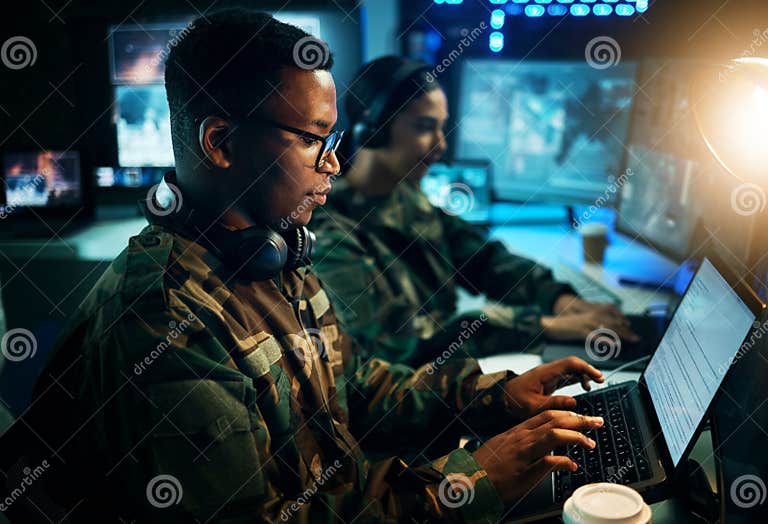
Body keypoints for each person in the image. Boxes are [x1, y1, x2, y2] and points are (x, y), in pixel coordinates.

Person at [22, 11, 606, 523]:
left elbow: (350, 384)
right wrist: (468, 483)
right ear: (221, 142)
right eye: (314, 139)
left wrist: (493, 398)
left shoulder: (272, 250)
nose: (333, 163)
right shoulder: (165, 325)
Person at [312, 56, 637, 367]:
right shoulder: (329, 232)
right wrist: (543, 325)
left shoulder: (405, 193)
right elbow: (402, 349)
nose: (440, 145)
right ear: (374, 128)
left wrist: (558, 299)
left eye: (441, 128)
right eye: (424, 127)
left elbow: (482, 258)